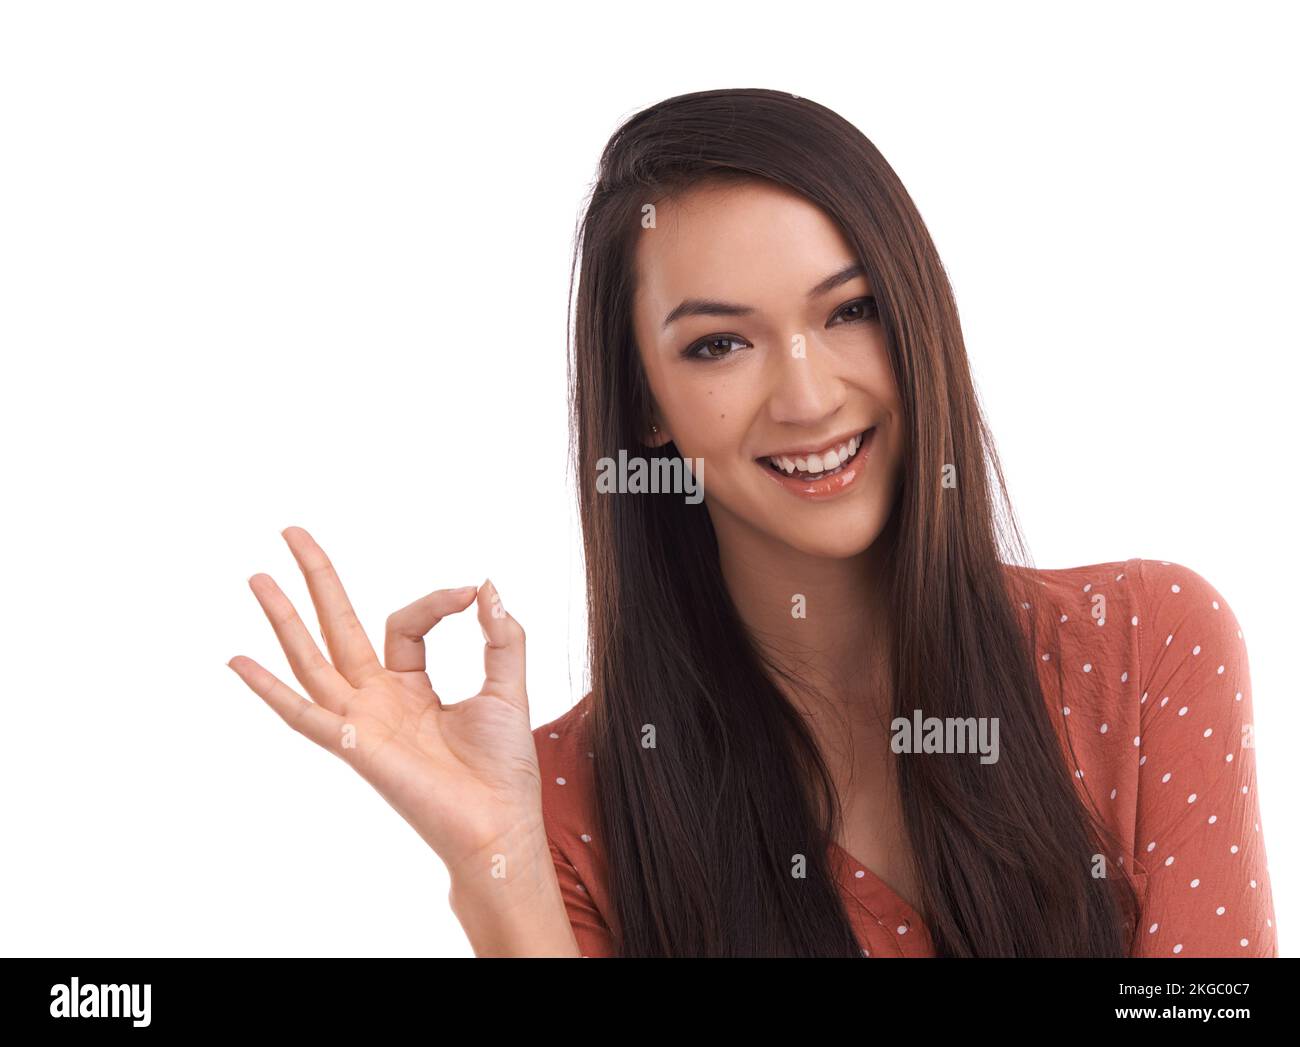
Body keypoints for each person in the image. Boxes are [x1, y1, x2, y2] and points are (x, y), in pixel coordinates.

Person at [227, 88, 1277, 957]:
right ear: (642, 402)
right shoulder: (558, 796)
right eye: (719, 346)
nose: (808, 396)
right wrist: (494, 866)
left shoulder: (1142, 644)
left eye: (849, 311)